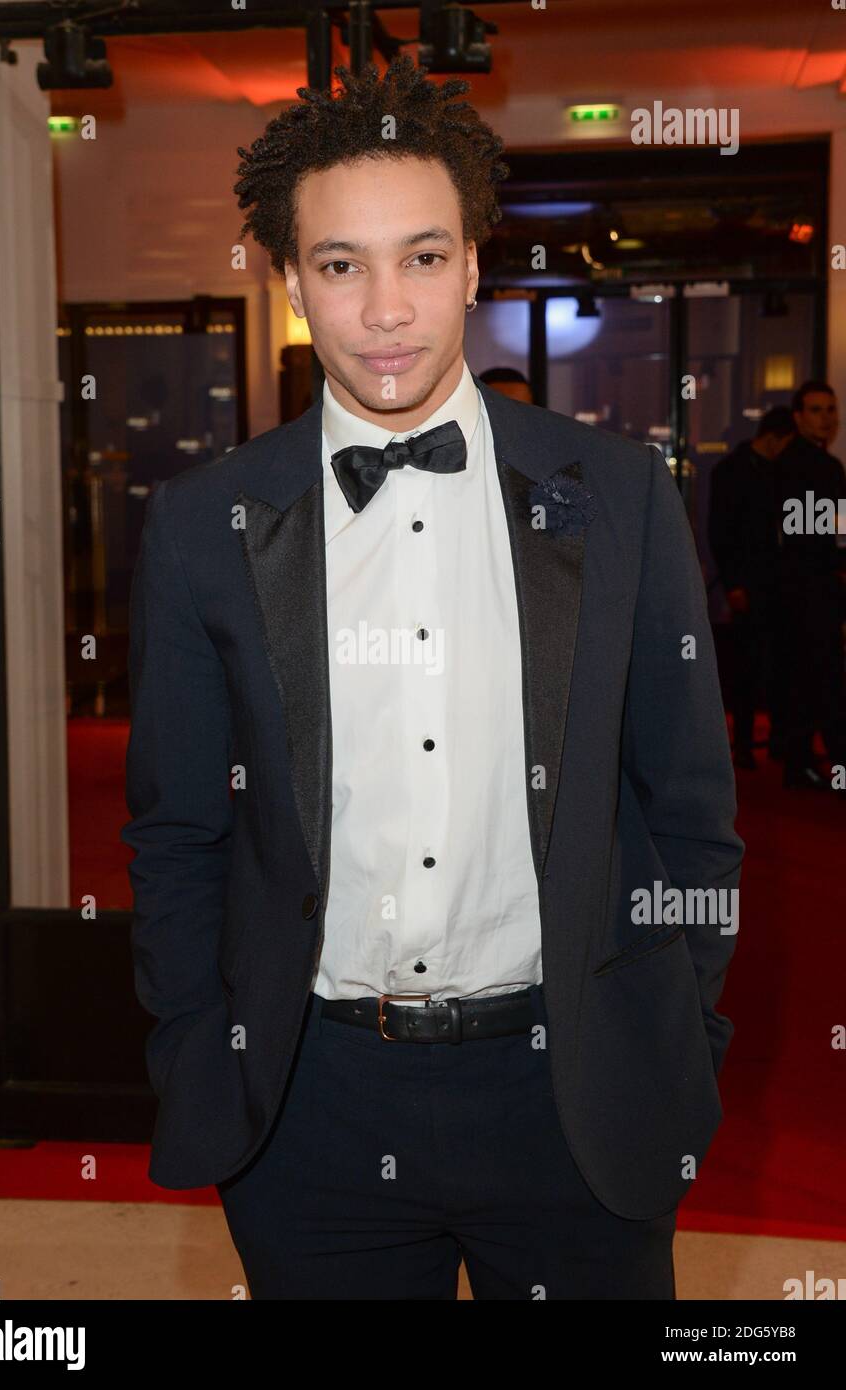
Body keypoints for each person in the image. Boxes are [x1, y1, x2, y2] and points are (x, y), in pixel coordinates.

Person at [121, 55, 743, 1301]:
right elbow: (180, 829)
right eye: (342, 265)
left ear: (471, 264)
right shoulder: (208, 522)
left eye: (420, 257)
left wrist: (675, 1030)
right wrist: (205, 1049)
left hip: (570, 1094)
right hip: (313, 1106)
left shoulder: (617, 497)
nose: (387, 308)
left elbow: (688, 813)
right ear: (293, 283)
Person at [707, 407, 795, 768]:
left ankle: (776, 739)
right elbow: (720, 532)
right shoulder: (732, 471)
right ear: (773, 438)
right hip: (748, 581)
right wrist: (733, 583)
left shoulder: (781, 471)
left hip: (780, 583)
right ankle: (742, 743)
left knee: (779, 664)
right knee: (745, 665)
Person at [773, 381, 846, 789]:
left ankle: (802, 761)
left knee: (807, 680)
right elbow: (814, 534)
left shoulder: (820, 465)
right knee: (820, 680)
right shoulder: (808, 466)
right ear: (799, 417)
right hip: (807, 591)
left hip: (803, 589)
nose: (826, 418)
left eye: (831, 409)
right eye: (816, 410)